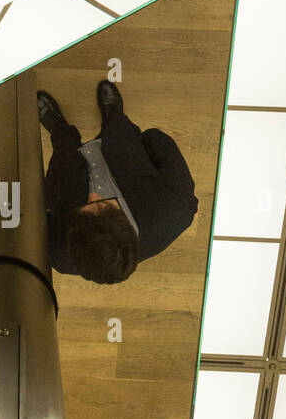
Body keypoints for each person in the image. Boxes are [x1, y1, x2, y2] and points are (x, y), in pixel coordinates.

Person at [38, 78, 198, 283]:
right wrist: (147, 140)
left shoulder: (59, 255)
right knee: (116, 125)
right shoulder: (175, 212)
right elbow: (158, 141)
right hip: (122, 147)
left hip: (66, 171)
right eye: (103, 203)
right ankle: (112, 117)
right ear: (125, 223)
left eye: (84, 208)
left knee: (63, 144)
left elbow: (33, 215)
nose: (93, 194)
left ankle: (59, 129)